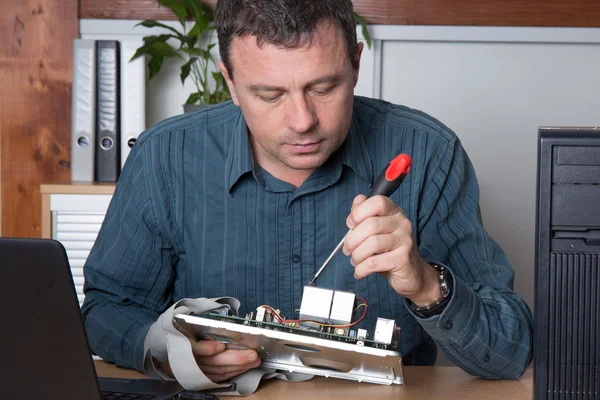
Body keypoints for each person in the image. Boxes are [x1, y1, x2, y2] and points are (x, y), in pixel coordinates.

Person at [82, 0, 533, 385]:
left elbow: (510, 353)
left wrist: (424, 283)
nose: (302, 121)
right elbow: (105, 312)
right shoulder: (167, 156)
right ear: (230, 83)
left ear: (356, 64)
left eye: (323, 88)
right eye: (270, 94)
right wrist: (168, 352)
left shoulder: (429, 152)